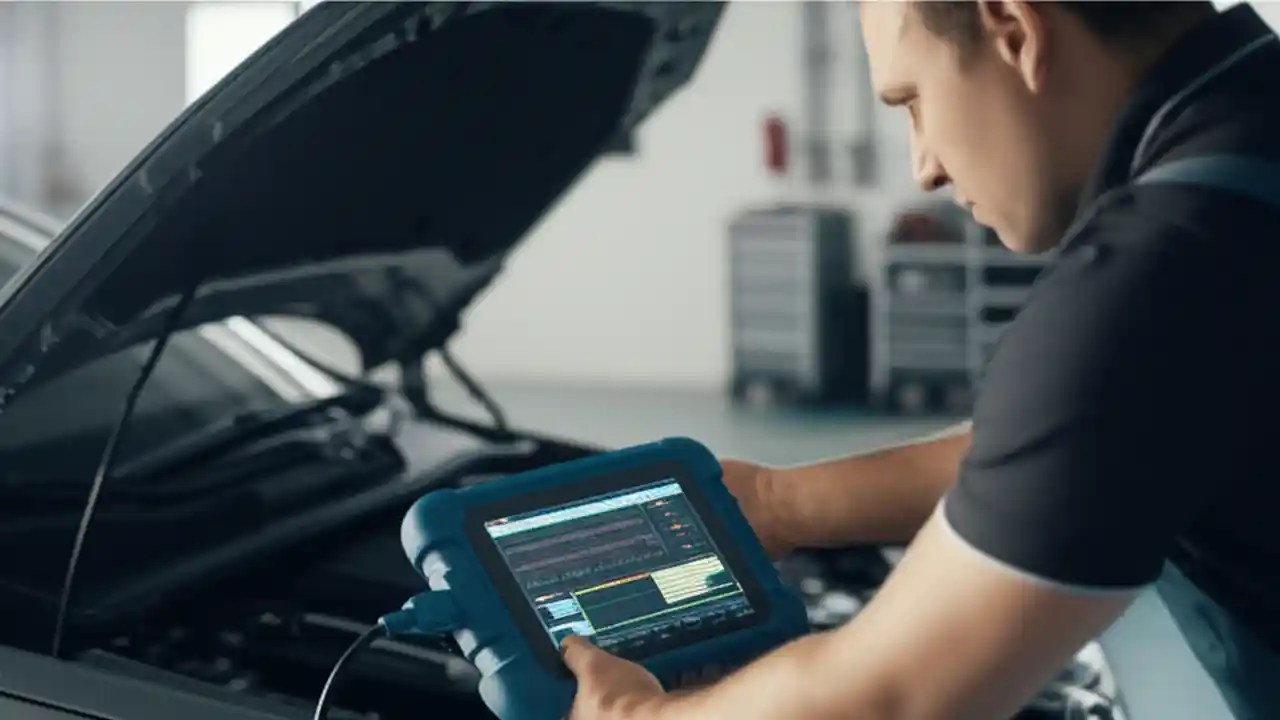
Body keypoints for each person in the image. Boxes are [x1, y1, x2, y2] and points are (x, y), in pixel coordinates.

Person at [560, 2, 1280, 719]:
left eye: (913, 102)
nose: (925, 167)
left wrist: (635, 715)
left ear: (1014, 31)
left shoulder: (1162, 273)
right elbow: (1101, 438)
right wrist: (781, 506)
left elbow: (890, 702)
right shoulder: (1247, 149)